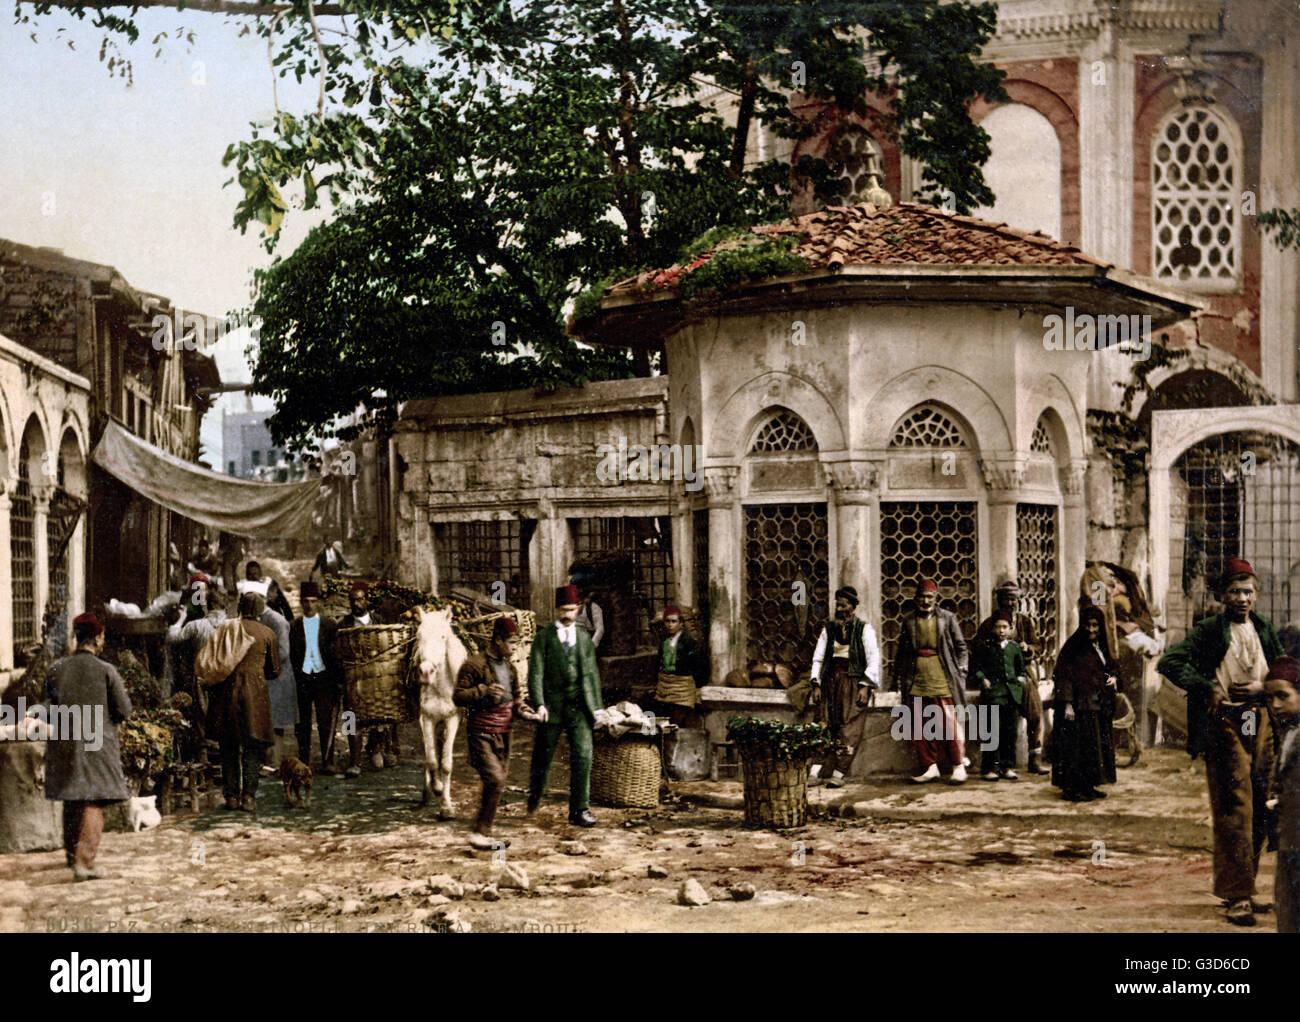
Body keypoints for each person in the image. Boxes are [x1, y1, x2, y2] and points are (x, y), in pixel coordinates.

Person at [1158, 557, 1283, 926]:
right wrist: (1206, 685)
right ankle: (1237, 894)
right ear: (1221, 595)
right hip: (1227, 722)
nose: (1241, 598)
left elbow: (1283, 668)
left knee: (1261, 804)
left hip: (1259, 719)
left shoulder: (1262, 628)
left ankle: (1245, 887)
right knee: (1235, 806)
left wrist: (1267, 686)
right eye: (1234, 591)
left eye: (1247, 591)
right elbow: (1171, 662)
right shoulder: (1211, 630)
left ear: (1256, 595)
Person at [39, 613, 132, 881]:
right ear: (99, 637)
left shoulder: (56, 669)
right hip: (96, 742)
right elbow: (124, 710)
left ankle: (71, 857)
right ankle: (85, 863)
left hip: (64, 741)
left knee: (72, 797)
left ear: (76, 637)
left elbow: (45, 708)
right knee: (94, 800)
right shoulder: (106, 671)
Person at [455, 617, 540, 849]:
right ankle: (480, 833)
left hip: (504, 733)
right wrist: (482, 691)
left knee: (496, 783)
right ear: (498, 640)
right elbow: (458, 696)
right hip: (481, 732)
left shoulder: (510, 668)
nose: (515, 648)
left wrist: (526, 712)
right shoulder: (474, 665)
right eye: (512, 642)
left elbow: (516, 699)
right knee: (495, 779)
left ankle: (483, 831)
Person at [527, 584, 603, 827]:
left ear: (578, 609)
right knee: (543, 756)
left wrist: (597, 708)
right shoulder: (543, 638)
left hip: (579, 708)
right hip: (551, 707)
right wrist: (539, 704)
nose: (567, 614)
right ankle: (534, 798)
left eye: (571, 609)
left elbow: (592, 675)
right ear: (556, 609)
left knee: (583, 755)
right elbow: (536, 673)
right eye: (563, 609)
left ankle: (580, 810)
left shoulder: (584, 639)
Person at [200, 592, 282, 812]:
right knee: (252, 748)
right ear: (259, 611)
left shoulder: (226, 629)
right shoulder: (267, 634)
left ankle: (231, 797)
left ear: (240, 608)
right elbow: (274, 670)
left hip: (225, 696)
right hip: (254, 698)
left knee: (229, 747)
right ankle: (248, 797)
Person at [892, 579, 970, 784]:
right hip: (916, 675)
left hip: (941, 673)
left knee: (948, 721)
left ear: (936, 599)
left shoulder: (948, 618)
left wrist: (962, 669)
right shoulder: (908, 621)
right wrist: (896, 679)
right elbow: (901, 653)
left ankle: (958, 765)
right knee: (919, 722)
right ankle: (930, 766)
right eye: (922, 597)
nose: (925, 601)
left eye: (929, 597)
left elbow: (961, 646)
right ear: (916, 598)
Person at [807, 586, 881, 787]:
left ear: (853, 607)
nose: (840, 609)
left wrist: (865, 686)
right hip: (830, 681)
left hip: (853, 683)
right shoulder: (828, 630)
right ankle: (815, 772)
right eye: (837, 605)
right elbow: (819, 658)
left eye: (844, 605)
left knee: (850, 728)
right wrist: (816, 683)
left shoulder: (864, 629)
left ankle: (839, 774)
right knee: (822, 723)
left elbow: (873, 659)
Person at [975, 580, 1047, 774]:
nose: (1010, 603)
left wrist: (1028, 648)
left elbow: (1039, 646)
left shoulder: (1024, 622)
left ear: (1018, 601)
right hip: (997, 681)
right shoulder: (989, 624)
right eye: (1006, 599)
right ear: (999, 600)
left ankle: (1034, 757)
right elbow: (978, 651)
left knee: (1035, 712)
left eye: (1013, 599)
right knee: (995, 720)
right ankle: (993, 765)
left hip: (1022, 677)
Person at [1050, 605, 1120, 801]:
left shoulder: (1101, 646)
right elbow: (1063, 676)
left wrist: (1113, 677)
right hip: (1078, 706)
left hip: (1096, 705)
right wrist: (1068, 704)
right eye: (1087, 625)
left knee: (1093, 749)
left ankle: (1089, 786)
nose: (1091, 629)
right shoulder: (1073, 648)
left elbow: (1109, 667)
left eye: (1095, 625)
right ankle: (1073, 789)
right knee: (1077, 749)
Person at [336, 581, 395, 776]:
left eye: (360, 600)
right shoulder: (344, 625)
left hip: (375, 681)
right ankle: (355, 761)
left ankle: (376, 748)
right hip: (353, 682)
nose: (356, 604)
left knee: (378, 715)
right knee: (351, 718)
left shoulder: (379, 621)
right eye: (353, 601)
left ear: (367, 601)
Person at [165, 573, 227, 757]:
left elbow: (174, 636)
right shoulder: (230, 624)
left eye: (203, 590)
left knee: (202, 713)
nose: (200, 594)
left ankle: (203, 754)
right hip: (213, 669)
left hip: (198, 666)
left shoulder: (199, 619)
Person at [239, 577, 297, 761]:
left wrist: (260, 665)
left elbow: (283, 651)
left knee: (276, 722)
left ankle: (275, 761)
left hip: (277, 677)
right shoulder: (251, 619)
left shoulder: (276, 621)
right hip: (263, 676)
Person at [290, 581, 342, 774]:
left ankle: (328, 761)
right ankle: (304, 760)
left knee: (325, 721)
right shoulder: (294, 626)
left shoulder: (329, 626)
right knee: (302, 723)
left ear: (318, 602)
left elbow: (336, 655)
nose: (309, 605)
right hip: (303, 680)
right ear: (301, 603)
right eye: (306, 601)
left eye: (313, 601)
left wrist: (338, 680)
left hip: (323, 679)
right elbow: (292, 656)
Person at [1264, 656, 1300, 933]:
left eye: (1283, 696)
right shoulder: (1287, 733)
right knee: (1286, 910)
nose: (1275, 705)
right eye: (1270, 697)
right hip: (1289, 839)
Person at [973, 610, 1028, 781]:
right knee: (992, 731)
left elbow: (1021, 669)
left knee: (1009, 732)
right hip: (993, 694)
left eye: (1005, 627)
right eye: (998, 627)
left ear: (1011, 629)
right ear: (992, 629)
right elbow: (976, 667)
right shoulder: (986, 647)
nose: (1001, 631)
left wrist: (1020, 679)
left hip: (1012, 695)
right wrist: (983, 679)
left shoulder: (1014, 648)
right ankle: (991, 768)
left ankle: (1008, 766)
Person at [653, 605, 708, 728]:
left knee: (679, 719)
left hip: (682, 687)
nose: (670, 625)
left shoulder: (689, 642)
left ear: (681, 623)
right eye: (667, 621)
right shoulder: (664, 642)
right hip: (665, 686)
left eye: (674, 621)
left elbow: (697, 665)